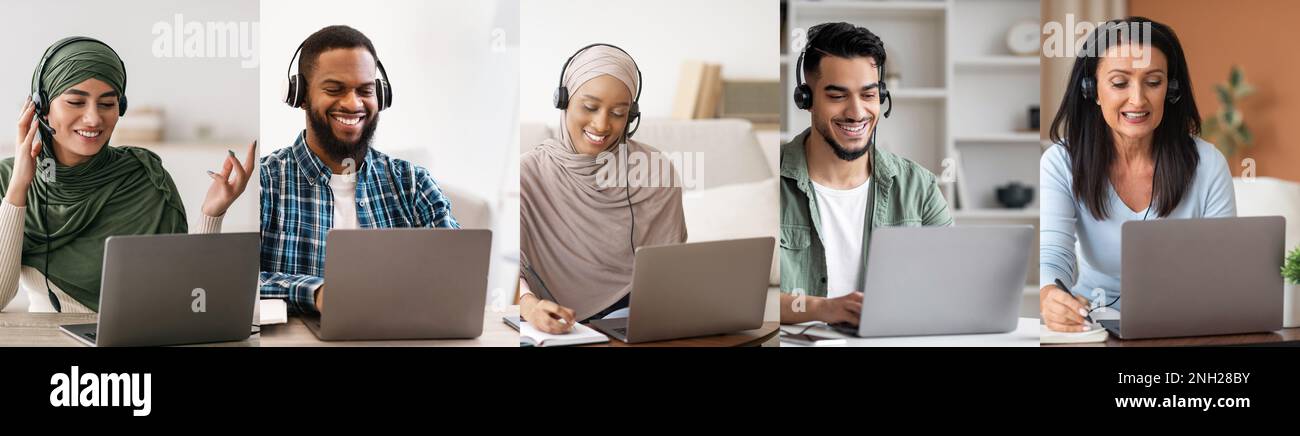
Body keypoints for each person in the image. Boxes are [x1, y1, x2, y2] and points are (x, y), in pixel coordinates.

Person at [0, 36, 253, 313]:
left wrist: (211, 214)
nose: (94, 119)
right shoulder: (8, 179)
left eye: (107, 104)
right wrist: (18, 190)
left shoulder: (145, 177)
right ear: (41, 107)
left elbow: (189, 300)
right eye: (76, 102)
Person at [1040, 17, 1235, 332]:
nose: (1138, 99)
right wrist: (1050, 293)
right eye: (1119, 83)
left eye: (1153, 82)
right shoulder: (1061, 163)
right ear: (1092, 90)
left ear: (1170, 90)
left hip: (1184, 324)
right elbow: (1053, 253)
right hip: (1092, 322)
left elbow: (1223, 267)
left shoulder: (1208, 164)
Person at [259, 25, 459, 315]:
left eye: (365, 90)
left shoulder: (413, 184)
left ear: (381, 96)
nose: (353, 103)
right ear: (300, 95)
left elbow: (459, 276)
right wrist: (315, 292)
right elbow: (233, 283)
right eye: (334, 89)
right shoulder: (266, 183)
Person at [778, 22, 952, 326]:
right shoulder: (772, 181)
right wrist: (823, 308)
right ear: (806, 100)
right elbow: (743, 298)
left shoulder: (919, 186)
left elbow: (954, 284)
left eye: (868, 95)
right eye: (837, 96)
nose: (857, 112)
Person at [518, 44, 687, 334]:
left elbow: (669, 269)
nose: (602, 124)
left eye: (619, 113)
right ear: (563, 100)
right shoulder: (527, 173)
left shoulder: (655, 169)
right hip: (553, 321)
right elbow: (510, 271)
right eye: (590, 107)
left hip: (635, 316)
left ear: (631, 117)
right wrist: (530, 306)